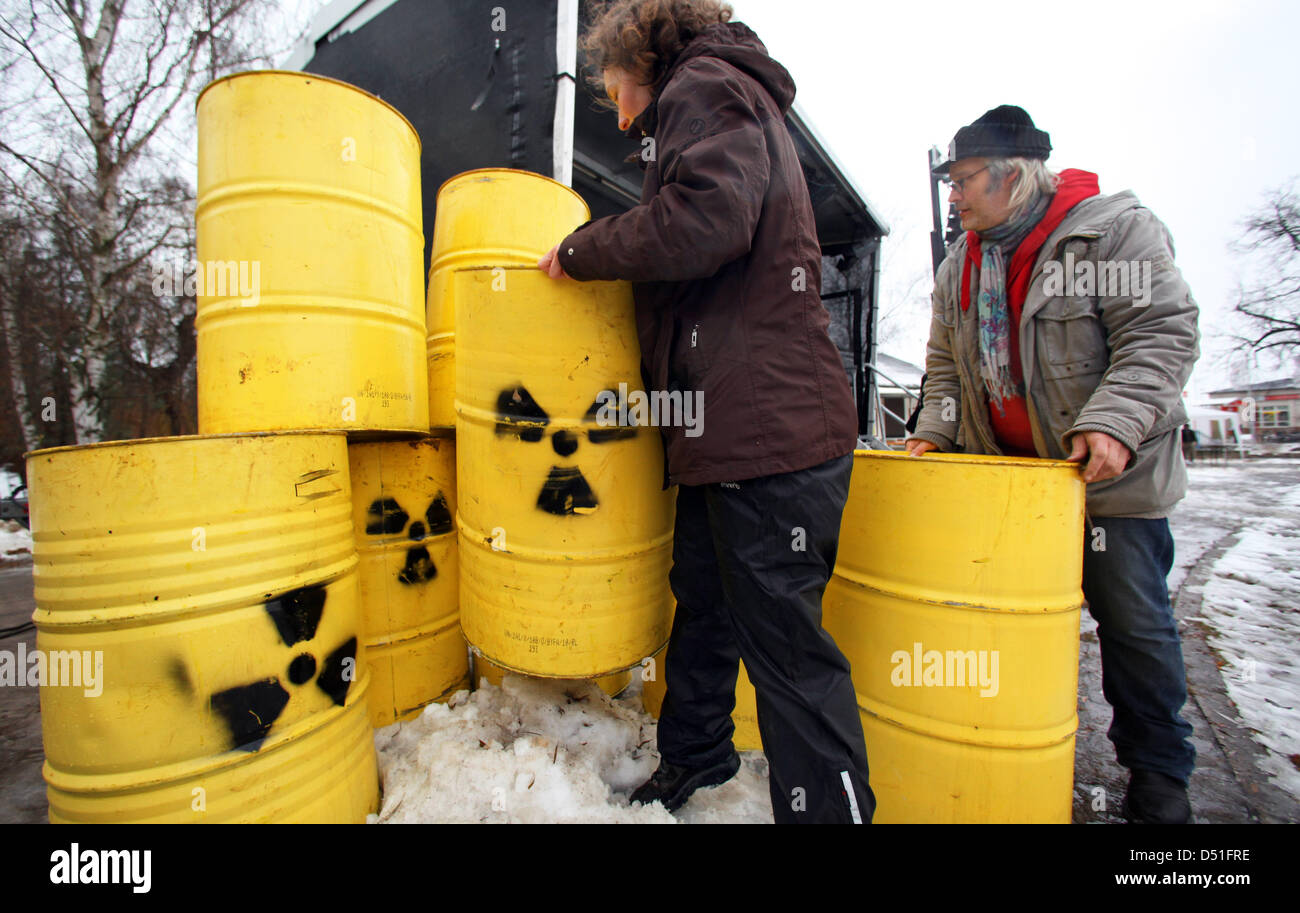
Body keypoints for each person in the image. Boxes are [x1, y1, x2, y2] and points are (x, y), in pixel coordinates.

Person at [537, 0, 872, 824]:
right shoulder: (717, 92)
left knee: (788, 654)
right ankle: (695, 755)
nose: (614, 111)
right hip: (732, 436)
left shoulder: (706, 85)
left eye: (610, 86)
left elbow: (706, 220)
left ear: (635, 56)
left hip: (771, 439)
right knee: (708, 604)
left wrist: (582, 251)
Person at [907, 105, 1201, 823]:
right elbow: (945, 366)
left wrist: (1112, 424)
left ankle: (1159, 777)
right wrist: (933, 433)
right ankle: (1005, 750)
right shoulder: (961, 264)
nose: (954, 194)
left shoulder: (1112, 233)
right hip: (1010, 489)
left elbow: (1161, 334)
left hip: (1107, 483)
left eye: (964, 179)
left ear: (1013, 177)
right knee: (996, 625)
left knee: (1133, 626)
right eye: (949, 181)